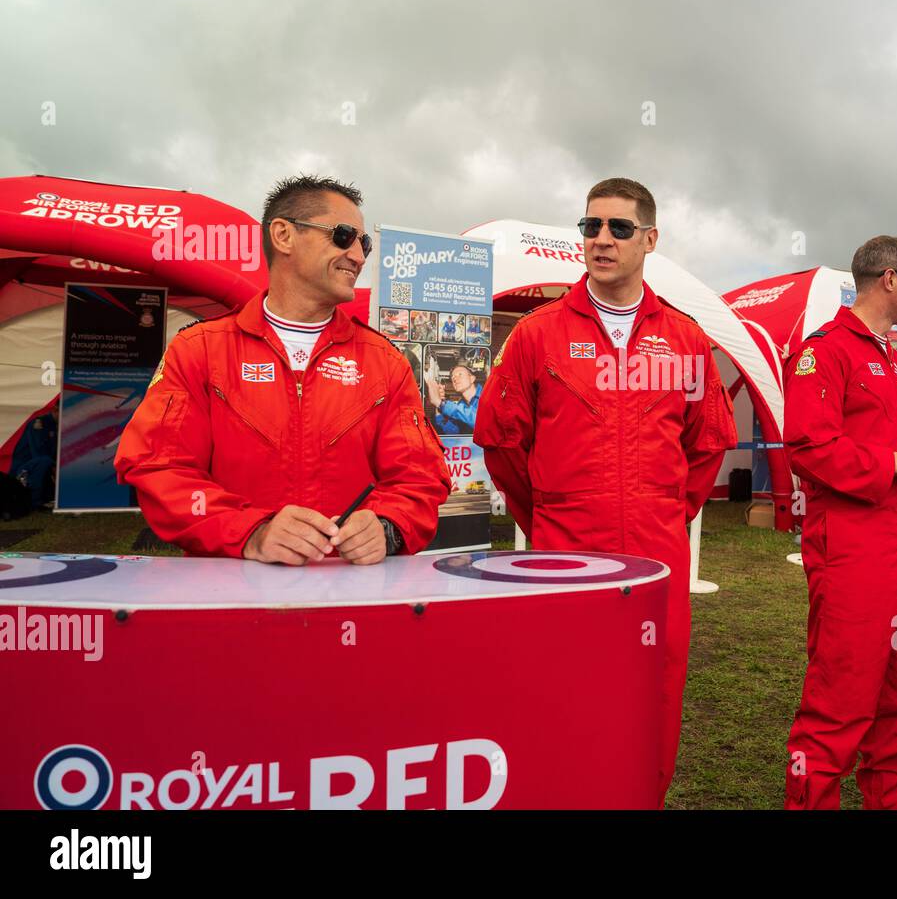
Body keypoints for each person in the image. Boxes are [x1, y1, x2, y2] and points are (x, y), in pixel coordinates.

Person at [474, 177, 737, 803]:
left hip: (658, 557)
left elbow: (707, 444)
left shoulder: (685, 338)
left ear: (649, 239)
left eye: (618, 228)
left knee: (655, 692)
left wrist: (668, 510)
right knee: (564, 694)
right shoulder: (538, 334)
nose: (601, 239)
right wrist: (549, 515)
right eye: (590, 226)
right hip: (566, 553)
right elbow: (503, 442)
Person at [116, 175, 451, 564]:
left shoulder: (385, 362)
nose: (359, 256)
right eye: (344, 236)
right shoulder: (199, 350)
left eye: (366, 243)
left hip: (350, 599)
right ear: (283, 235)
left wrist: (387, 526)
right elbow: (160, 470)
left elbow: (420, 479)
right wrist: (251, 533)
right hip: (229, 599)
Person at [783, 235, 897, 810]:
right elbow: (807, 445)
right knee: (842, 695)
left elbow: (887, 435)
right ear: (889, 279)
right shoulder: (825, 349)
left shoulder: (888, 352)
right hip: (852, 545)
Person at [428, 363, 480, 435]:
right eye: (452, 377)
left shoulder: (487, 396)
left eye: (460, 374)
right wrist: (438, 409)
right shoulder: (461, 405)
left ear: (472, 378)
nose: (455, 378)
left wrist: (441, 403)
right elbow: (454, 432)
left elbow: (480, 422)